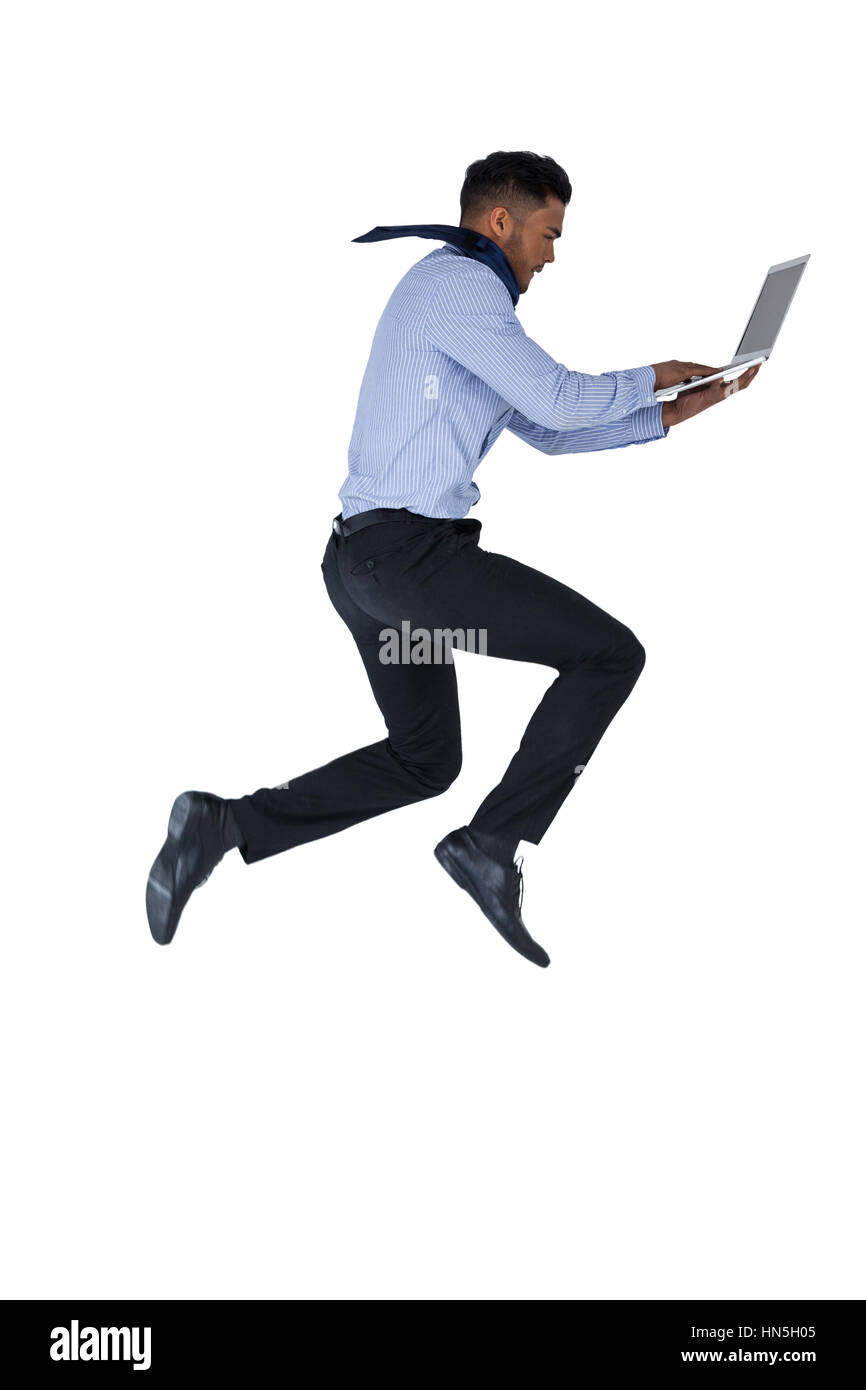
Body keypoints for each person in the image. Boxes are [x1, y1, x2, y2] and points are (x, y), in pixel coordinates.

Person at [146, 150, 761, 967]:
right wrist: (652, 372)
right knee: (609, 655)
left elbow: (546, 429)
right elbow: (559, 397)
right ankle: (491, 845)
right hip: (409, 564)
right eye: (547, 233)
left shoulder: (469, 308)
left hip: (367, 574)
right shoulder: (458, 288)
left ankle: (223, 823)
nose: (551, 255)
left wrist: (678, 409)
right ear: (500, 221)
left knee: (424, 758)